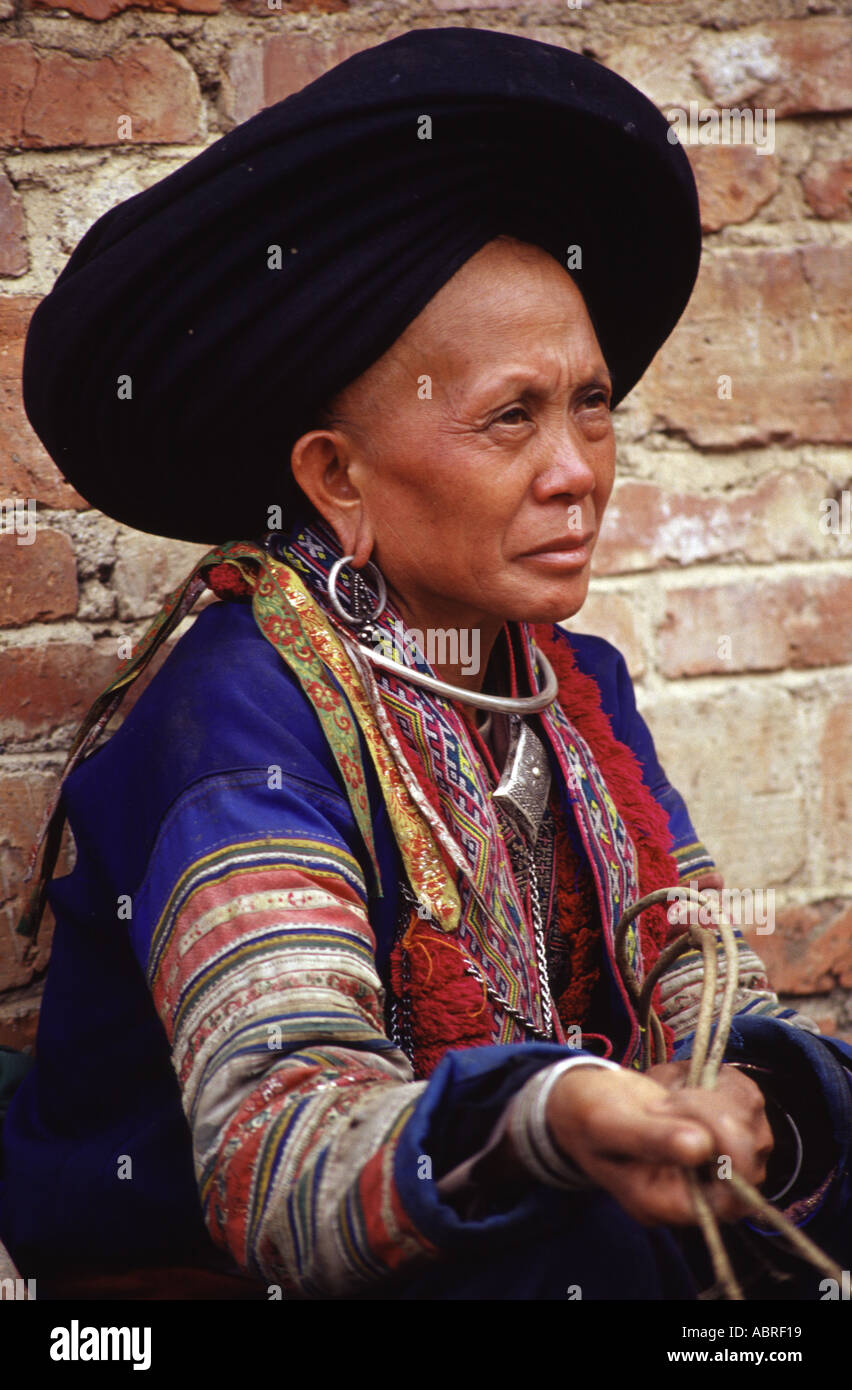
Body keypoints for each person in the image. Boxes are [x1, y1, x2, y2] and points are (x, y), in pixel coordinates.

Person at [1, 27, 850, 1302]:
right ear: (336, 478)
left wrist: (742, 1102)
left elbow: (693, 988)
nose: (578, 471)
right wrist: (550, 1117)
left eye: (593, 402)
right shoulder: (236, 718)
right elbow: (280, 1140)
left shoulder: (575, 688)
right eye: (511, 416)